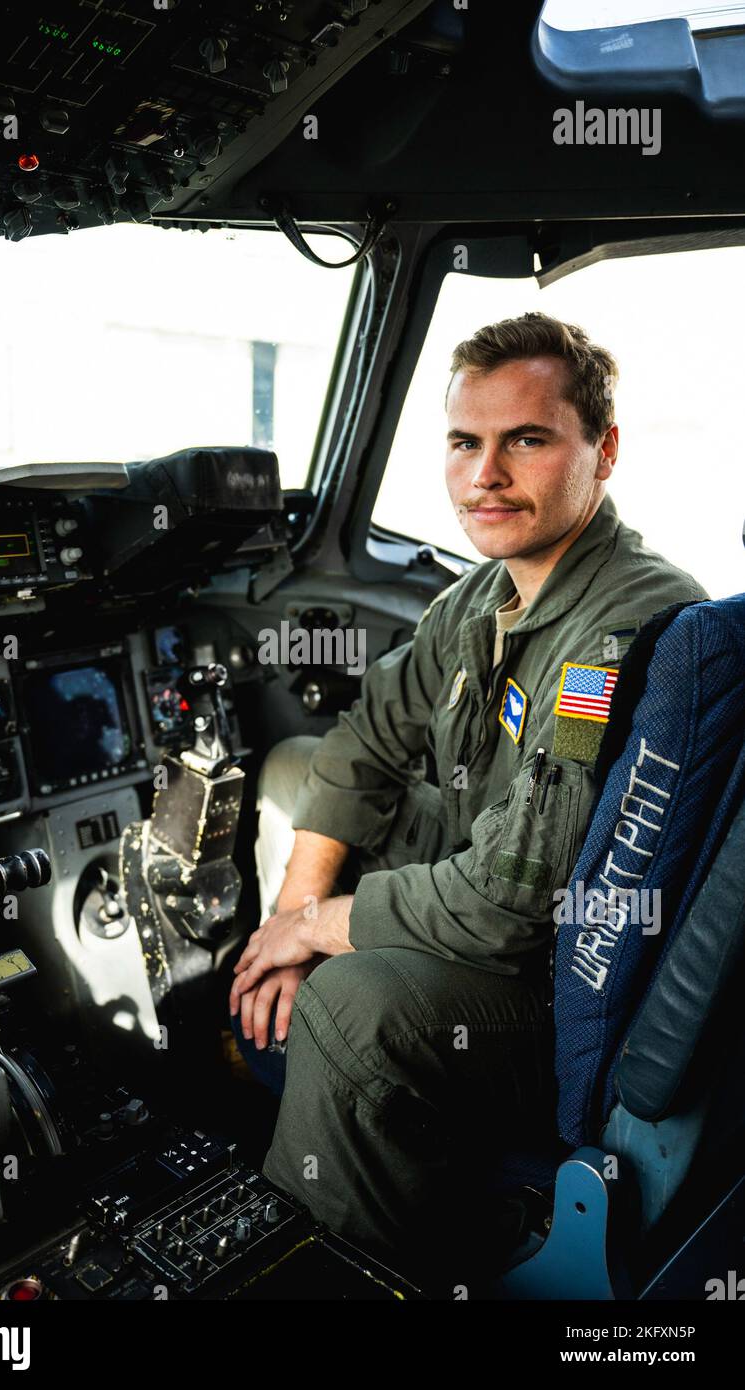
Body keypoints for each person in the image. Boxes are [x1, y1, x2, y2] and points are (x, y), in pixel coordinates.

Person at [228, 311, 708, 1285]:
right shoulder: (484, 595)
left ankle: (329, 1267)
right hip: (481, 939)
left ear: (599, 450)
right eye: (463, 442)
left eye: (525, 440)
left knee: (351, 1007)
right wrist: (286, 917)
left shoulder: (619, 628)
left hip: (551, 999)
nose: (484, 474)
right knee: (297, 762)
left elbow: (505, 903)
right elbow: (363, 739)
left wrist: (320, 929)